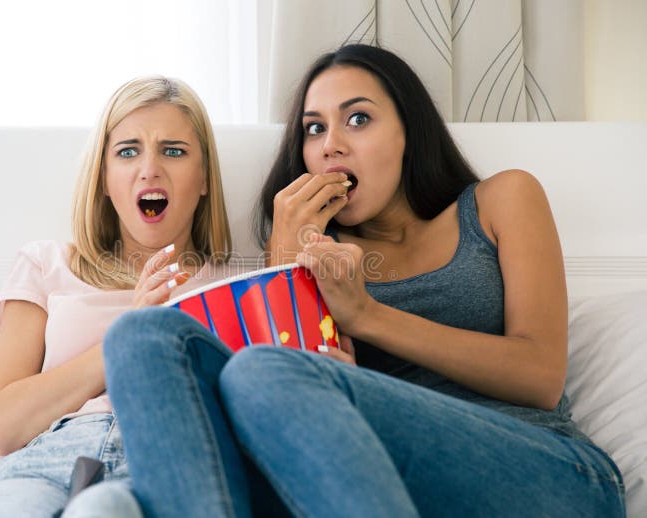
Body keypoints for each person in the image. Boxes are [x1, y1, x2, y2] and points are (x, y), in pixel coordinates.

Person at [102, 44, 627, 517]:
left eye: (357, 119)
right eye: (314, 128)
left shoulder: (501, 201)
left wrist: (368, 317)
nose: (331, 145)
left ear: (408, 132)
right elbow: (266, 422)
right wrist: (284, 259)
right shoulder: (312, 252)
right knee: (140, 337)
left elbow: (540, 376)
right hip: (372, 479)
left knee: (265, 373)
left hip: (548, 471)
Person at [0, 75, 233, 517]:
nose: (149, 168)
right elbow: (4, 425)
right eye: (128, 151)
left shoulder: (234, 285)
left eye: (174, 150)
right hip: (49, 460)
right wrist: (129, 334)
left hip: (165, 465)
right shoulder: (47, 265)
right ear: (105, 179)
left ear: (204, 177)